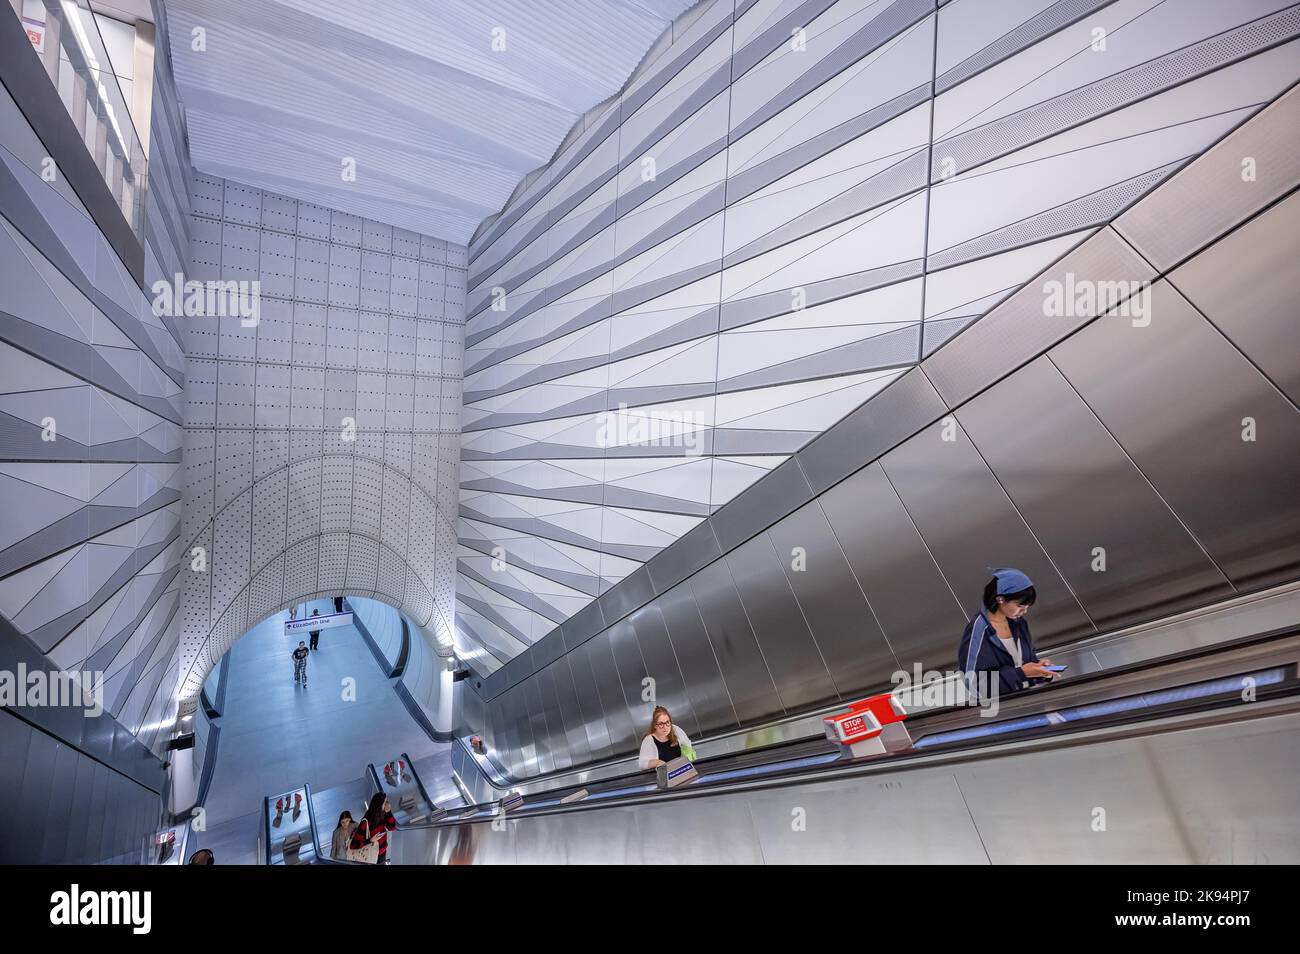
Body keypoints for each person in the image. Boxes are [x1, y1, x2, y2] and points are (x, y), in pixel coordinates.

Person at [958, 567, 1059, 701]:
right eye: (1020, 606)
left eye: (1027, 607)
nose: (1024, 611)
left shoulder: (1019, 624)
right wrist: (1021, 673)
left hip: (1032, 703)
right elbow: (974, 684)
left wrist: (1041, 670)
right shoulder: (978, 630)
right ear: (1000, 599)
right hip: (1004, 710)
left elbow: (1027, 664)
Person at [638, 705, 693, 771]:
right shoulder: (649, 740)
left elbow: (688, 749)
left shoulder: (676, 730)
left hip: (681, 771)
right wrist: (658, 762)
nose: (665, 727)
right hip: (663, 777)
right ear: (655, 725)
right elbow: (642, 764)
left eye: (667, 722)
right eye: (661, 724)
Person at [351, 793, 397, 864]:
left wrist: (389, 813)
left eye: (387, 801)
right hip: (371, 854)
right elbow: (353, 845)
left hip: (382, 853)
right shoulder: (366, 822)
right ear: (379, 805)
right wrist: (370, 840)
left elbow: (392, 828)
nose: (387, 804)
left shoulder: (383, 814)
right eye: (385, 802)